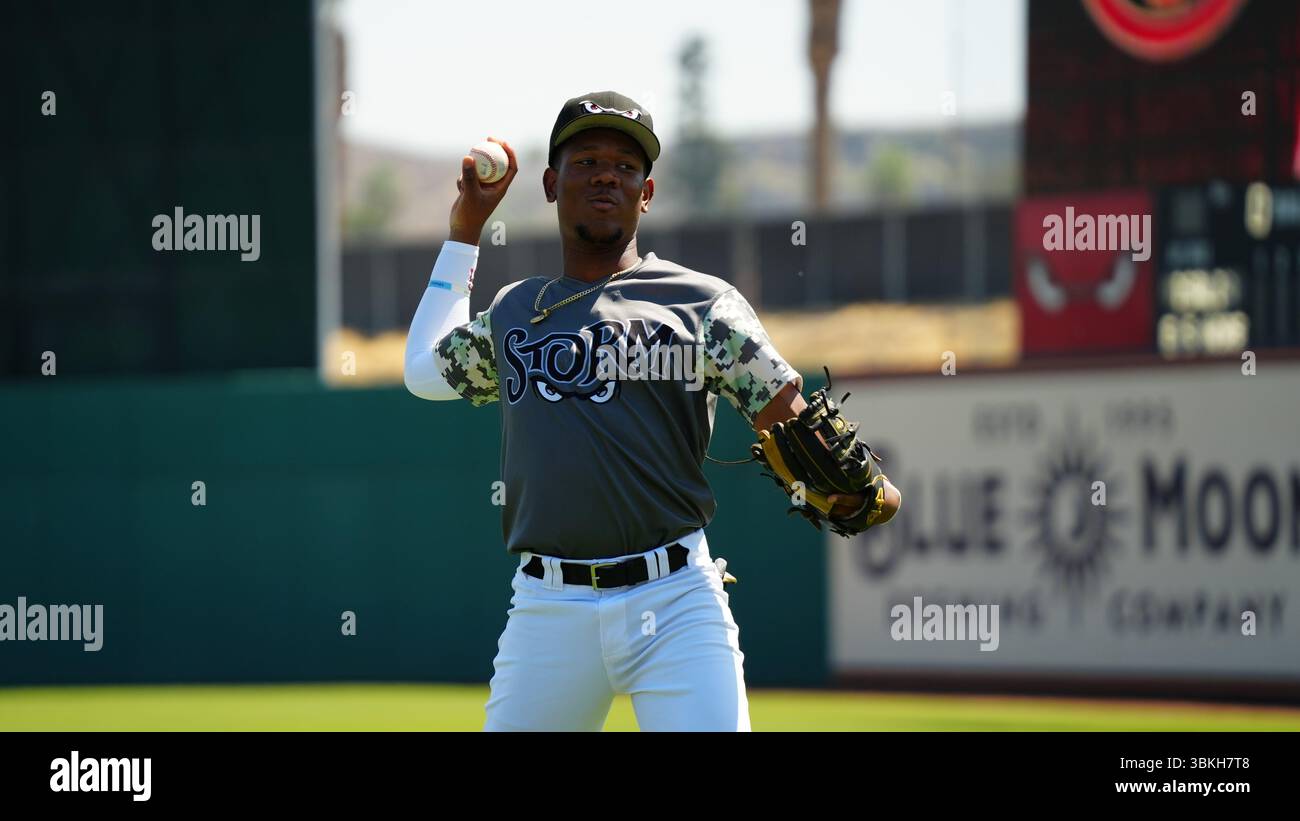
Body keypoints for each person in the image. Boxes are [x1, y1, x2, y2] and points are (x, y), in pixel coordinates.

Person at [403, 91, 900, 731]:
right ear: (552, 183)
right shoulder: (516, 312)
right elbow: (422, 373)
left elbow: (788, 415)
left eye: (626, 164)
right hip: (547, 609)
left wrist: (855, 479)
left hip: (675, 599)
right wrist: (466, 229)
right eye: (585, 160)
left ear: (648, 191)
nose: (607, 173)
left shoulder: (702, 305)